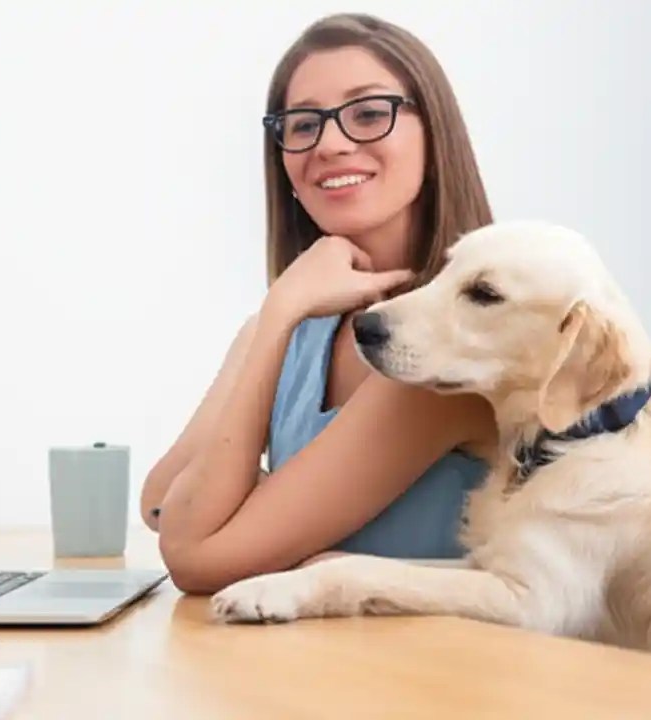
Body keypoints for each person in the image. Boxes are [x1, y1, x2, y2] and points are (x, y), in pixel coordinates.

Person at [140, 12, 499, 594]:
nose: (330, 144)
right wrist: (280, 315)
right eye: (303, 124)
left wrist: (243, 523)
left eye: (368, 113)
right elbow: (161, 502)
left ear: (435, 136)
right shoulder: (291, 325)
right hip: (313, 668)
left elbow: (193, 557)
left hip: (435, 677)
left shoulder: (443, 352)